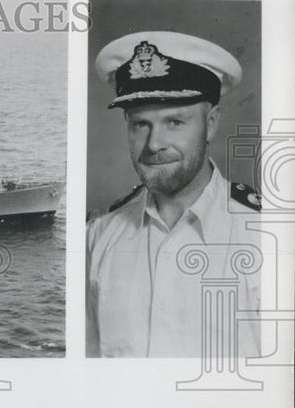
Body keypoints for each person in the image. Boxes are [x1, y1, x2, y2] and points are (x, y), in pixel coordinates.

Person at [86, 31, 261, 357]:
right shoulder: (97, 237)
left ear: (211, 124)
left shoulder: (271, 237)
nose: (154, 144)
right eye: (140, 124)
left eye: (175, 122)